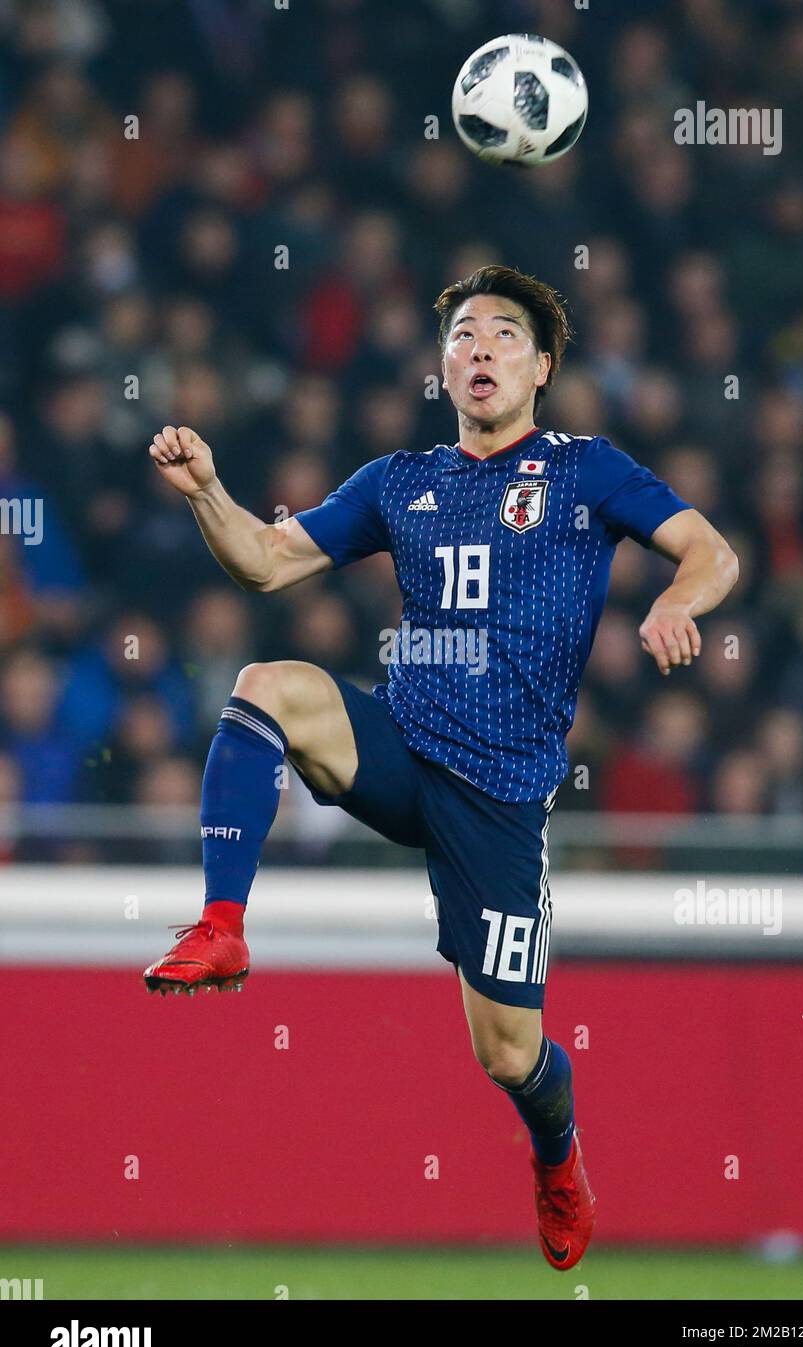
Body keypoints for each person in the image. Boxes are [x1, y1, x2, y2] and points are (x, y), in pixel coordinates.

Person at [143, 265, 738, 1269]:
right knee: (269, 684)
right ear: (441, 364)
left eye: (503, 335)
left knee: (505, 1053)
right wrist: (208, 491)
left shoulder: (585, 471)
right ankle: (222, 925)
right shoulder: (397, 483)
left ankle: (556, 1154)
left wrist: (680, 600)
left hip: (500, 798)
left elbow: (710, 549)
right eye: (462, 335)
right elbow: (263, 561)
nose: (479, 350)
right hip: (403, 744)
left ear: (541, 367)